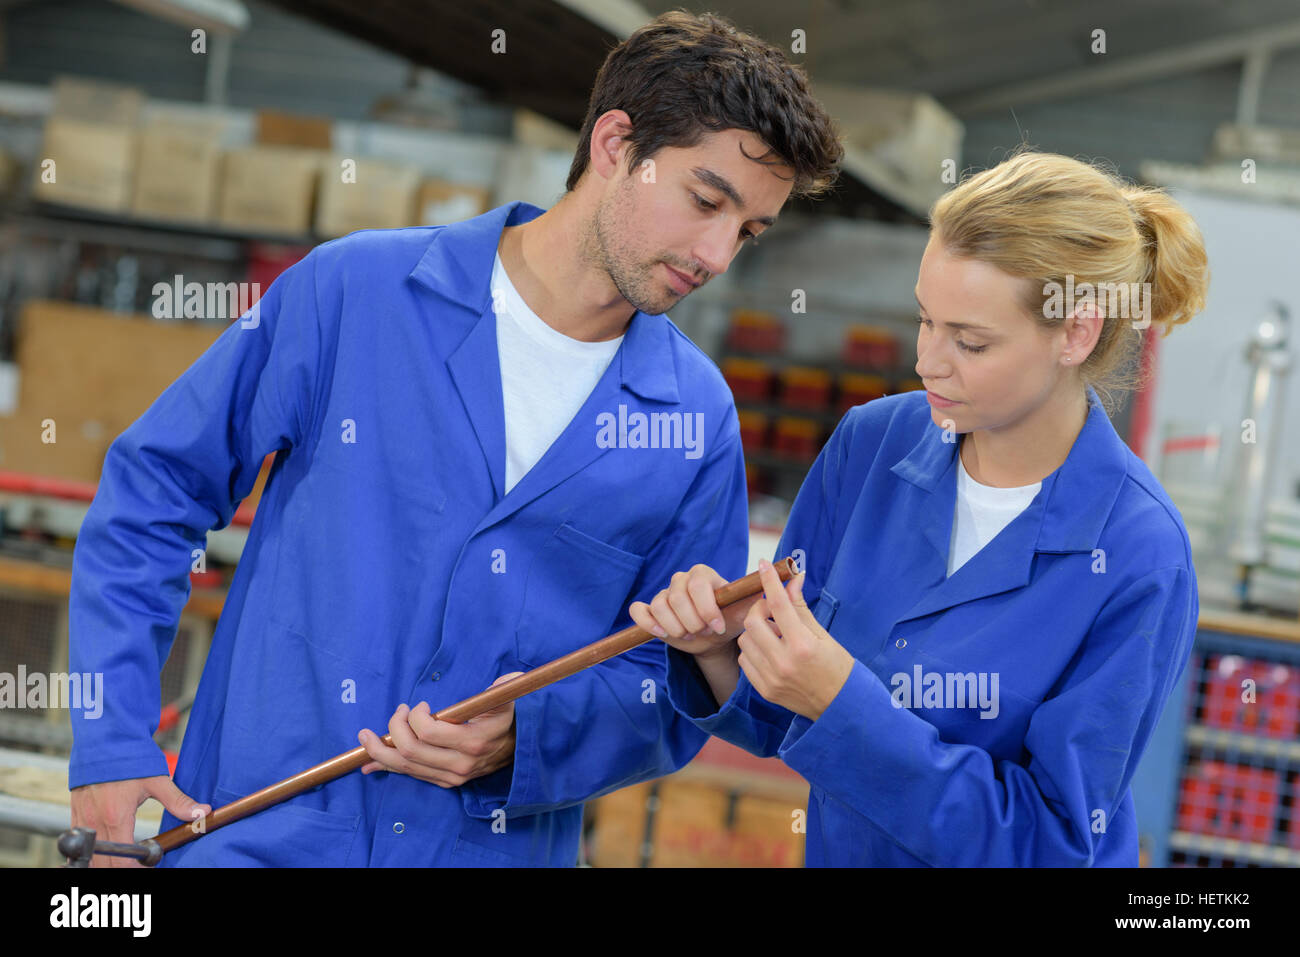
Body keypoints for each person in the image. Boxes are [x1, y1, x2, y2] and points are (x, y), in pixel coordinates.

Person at [67, 10, 843, 866]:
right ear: (618, 143)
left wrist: (530, 739)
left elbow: (677, 690)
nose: (717, 253)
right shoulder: (354, 294)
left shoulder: (692, 416)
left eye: (748, 230)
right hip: (254, 838)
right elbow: (155, 491)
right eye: (706, 200)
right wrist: (112, 738)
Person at [631, 148, 1209, 866]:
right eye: (926, 320)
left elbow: (1051, 846)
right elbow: (786, 723)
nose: (927, 360)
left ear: (1076, 332)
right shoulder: (871, 447)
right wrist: (718, 649)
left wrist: (847, 703)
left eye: (969, 340)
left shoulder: (1136, 552)